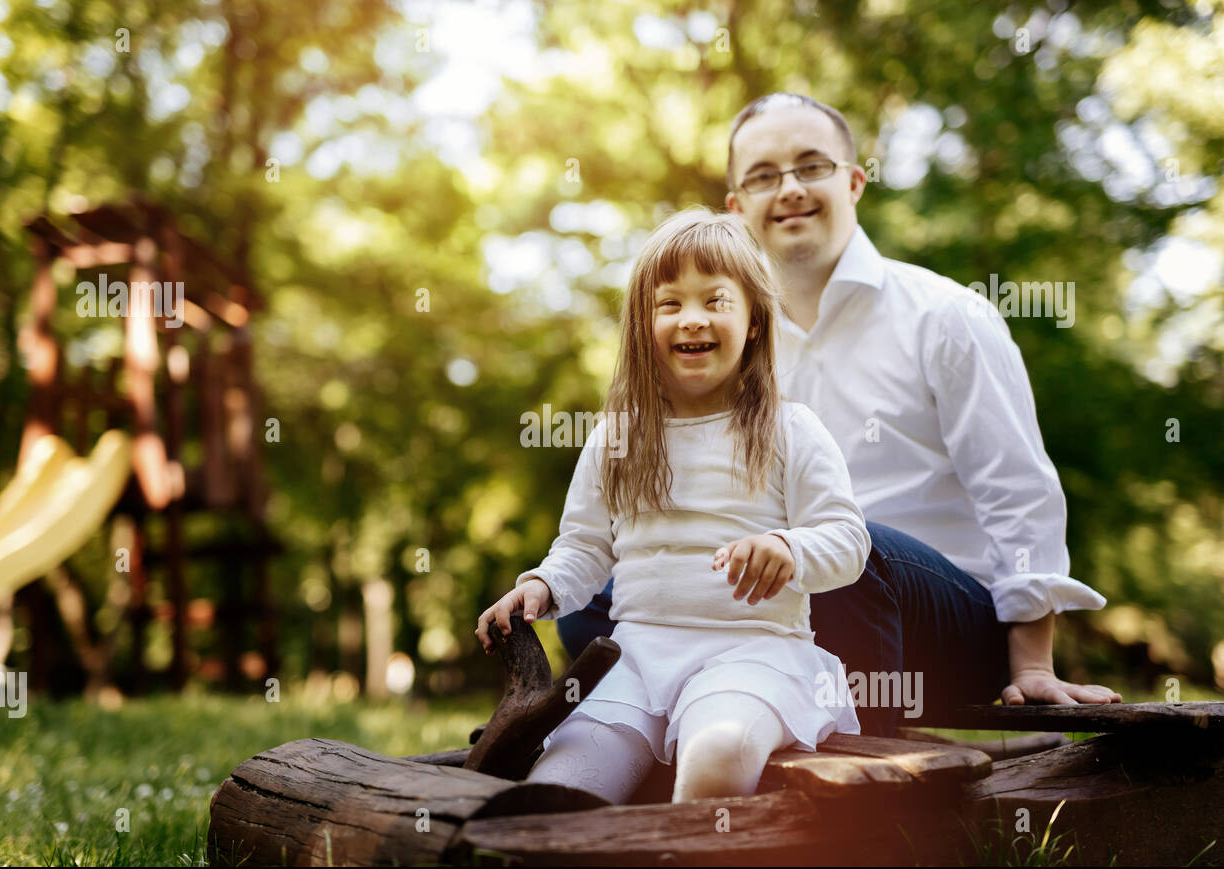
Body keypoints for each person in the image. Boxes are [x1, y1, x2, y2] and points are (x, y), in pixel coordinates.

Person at [557, 93, 1121, 735]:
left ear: (854, 181)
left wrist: (1031, 663)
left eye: (811, 166)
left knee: (847, 544)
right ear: (737, 207)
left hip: (937, 623)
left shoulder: (945, 316)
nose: (790, 188)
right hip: (770, 617)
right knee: (597, 598)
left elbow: (1018, 489)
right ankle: (685, 719)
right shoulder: (728, 342)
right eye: (764, 175)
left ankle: (857, 777)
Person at [475, 208, 868, 805]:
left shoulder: (792, 428)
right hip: (633, 660)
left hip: (755, 656)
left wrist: (790, 546)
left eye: (716, 301)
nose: (692, 319)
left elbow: (848, 540)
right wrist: (543, 587)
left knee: (720, 752)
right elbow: (584, 547)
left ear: (755, 322)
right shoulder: (617, 437)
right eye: (669, 304)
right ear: (642, 323)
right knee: (564, 780)